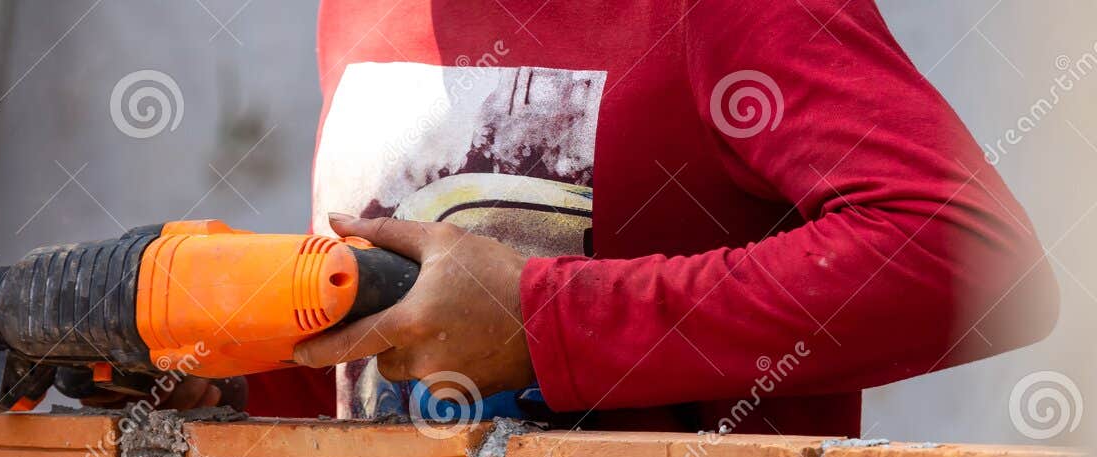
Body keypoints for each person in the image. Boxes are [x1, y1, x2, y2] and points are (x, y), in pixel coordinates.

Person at [159, 0, 1058, 433]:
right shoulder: (359, 11)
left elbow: (961, 253)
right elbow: (406, 353)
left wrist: (548, 321)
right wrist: (226, 374)